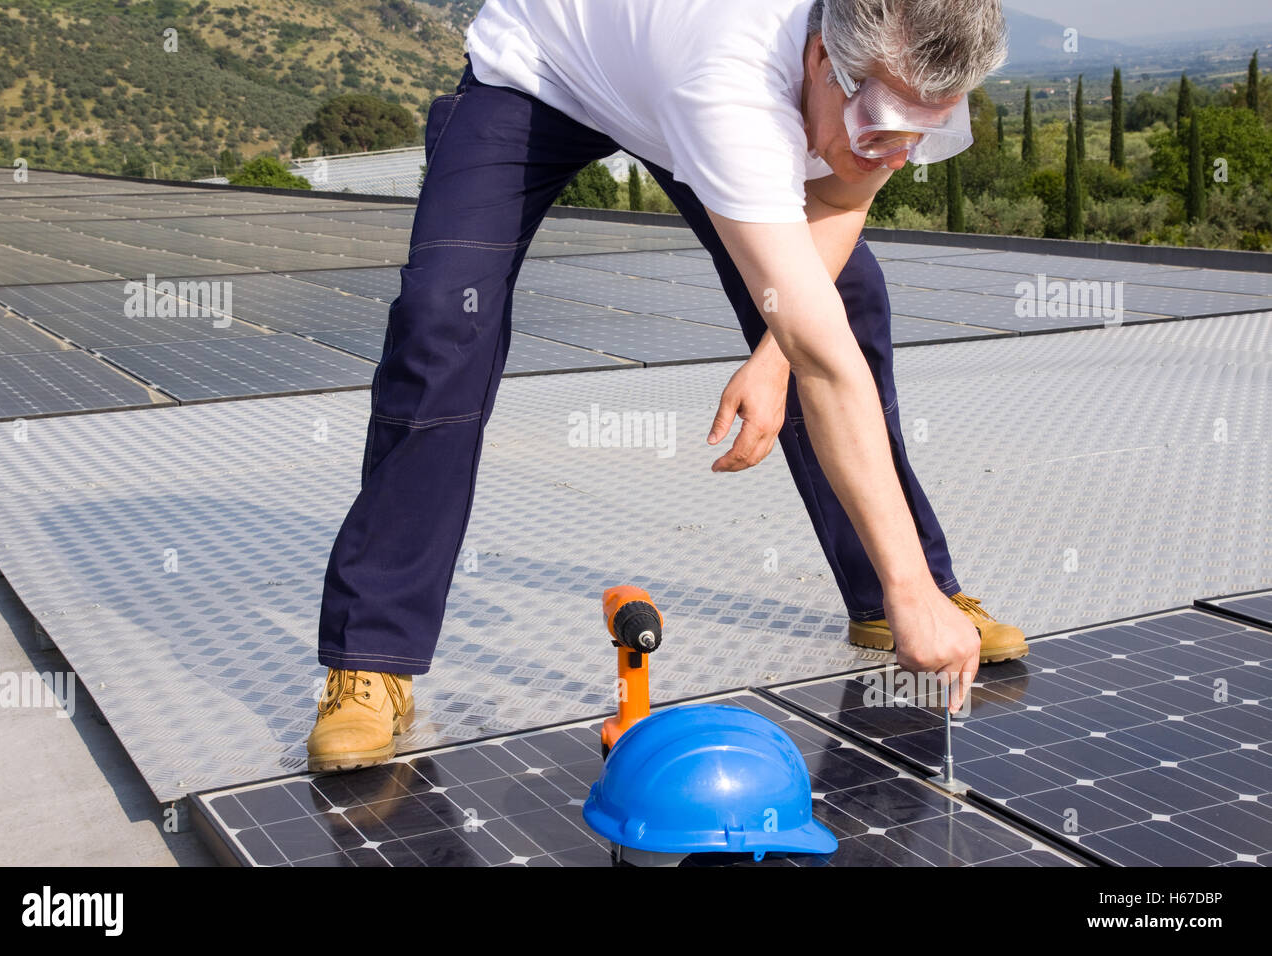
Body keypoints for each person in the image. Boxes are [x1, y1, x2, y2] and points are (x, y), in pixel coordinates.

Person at [307, 0, 1021, 773]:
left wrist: (774, 358)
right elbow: (824, 358)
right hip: (543, 68)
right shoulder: (728, 90)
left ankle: (892, 593)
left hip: (666, 65)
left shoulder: (879, 50)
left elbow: (847, 198)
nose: (901, 153)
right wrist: (795, 350)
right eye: (882, 121)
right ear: (822, 62)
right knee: (443, 316)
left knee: (846, 300)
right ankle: (372, 655)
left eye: (928, 132)